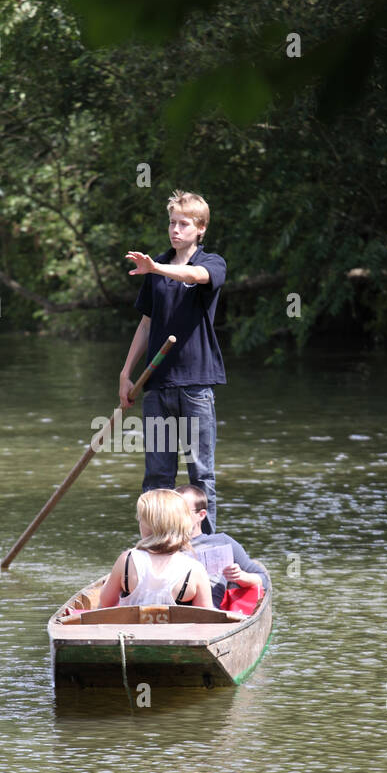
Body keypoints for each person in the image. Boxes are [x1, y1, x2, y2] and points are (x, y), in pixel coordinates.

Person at [119, 189, 226, 536]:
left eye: (184, 224)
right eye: (172, 222)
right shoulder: (155, 270)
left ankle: (207, 550)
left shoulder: (212, 263)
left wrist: (156, 268)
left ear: (200, 229)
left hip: (196, 386)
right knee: (157, 479)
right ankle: (153, 548)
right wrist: (125, 373)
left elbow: (196, 277)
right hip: (158, 388)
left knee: (201, 475)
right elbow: (147, 323)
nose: (175, 229)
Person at [99, 489, 215, 610]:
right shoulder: (195, 569)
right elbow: (206, 618)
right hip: (176, 629)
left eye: (140, 519)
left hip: (132, 629)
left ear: (148, 525)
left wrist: (108, 583)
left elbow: (107, 602)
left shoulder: (127, 559)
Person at [175, 484, 268, 608]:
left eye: (183, 511)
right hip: (170, 613)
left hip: (210, 617)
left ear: (201, 515)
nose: (176, 516)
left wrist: (241, 577)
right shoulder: (160, 546)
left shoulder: (222, 542)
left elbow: (264, 580)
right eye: (172, 511)